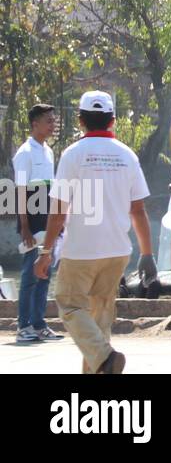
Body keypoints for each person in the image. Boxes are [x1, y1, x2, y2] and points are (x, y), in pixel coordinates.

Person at [36, 91, 152, 374]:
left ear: (80, 120)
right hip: (117, 252)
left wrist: (46, 252)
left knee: (69, 305)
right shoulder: (128, 155)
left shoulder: (72, 155)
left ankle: (106, 357)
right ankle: (101, 371)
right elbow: (138, 210)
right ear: (112, 120)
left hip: (81, 251)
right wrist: (147, 253)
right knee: (99, 319)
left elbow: (59, 211)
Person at [14, 103, 63, 343]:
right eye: (49, 121)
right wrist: (24, 226)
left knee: (45, 271)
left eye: (53, 120)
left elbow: (51, 187)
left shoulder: (48, 151)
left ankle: (39, 323)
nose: (53, 125)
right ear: (35, 124)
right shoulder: (24, 153)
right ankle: (23, 325)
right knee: (29, 273)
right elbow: (21, 192)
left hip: (48, 217)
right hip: (32, 221)